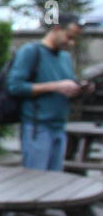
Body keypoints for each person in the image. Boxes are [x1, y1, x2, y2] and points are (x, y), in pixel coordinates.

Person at [8, 14, 94, 171]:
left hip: (60, 126)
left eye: (74, 39)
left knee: (55, 180)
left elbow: (67, 86)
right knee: (37, 179)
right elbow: (15, 87)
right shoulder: (30, 52)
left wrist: (80, 89)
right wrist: (55, 86)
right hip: (37, 127)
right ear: (56, 29)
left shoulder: (65, 58)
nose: (71, 42)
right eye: (69, 37)